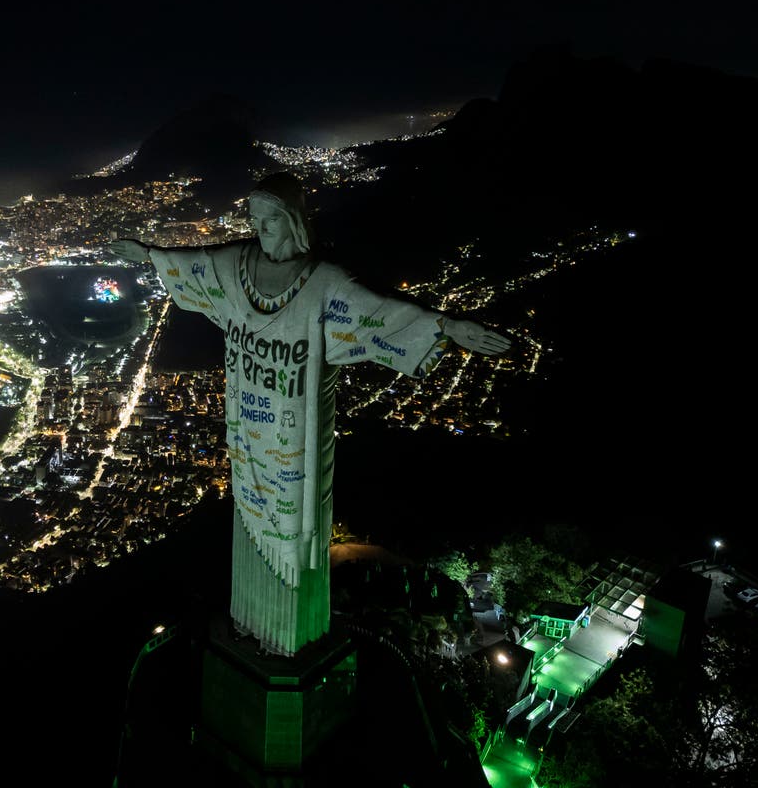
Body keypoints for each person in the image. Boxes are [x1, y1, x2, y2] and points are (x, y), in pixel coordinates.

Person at [109, 173, 510, 656]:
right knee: (248, 518)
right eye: (254, 221)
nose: (260, 230)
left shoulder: (323, 284)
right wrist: (150, 255)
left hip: (293, 432)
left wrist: (445, 326)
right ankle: (253, 629)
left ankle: (290, 642)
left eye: (270, 221)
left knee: (296, 534)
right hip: (247, 423)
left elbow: (379, 312)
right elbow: (195, 266)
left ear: (293, 221)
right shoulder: (237, 264)